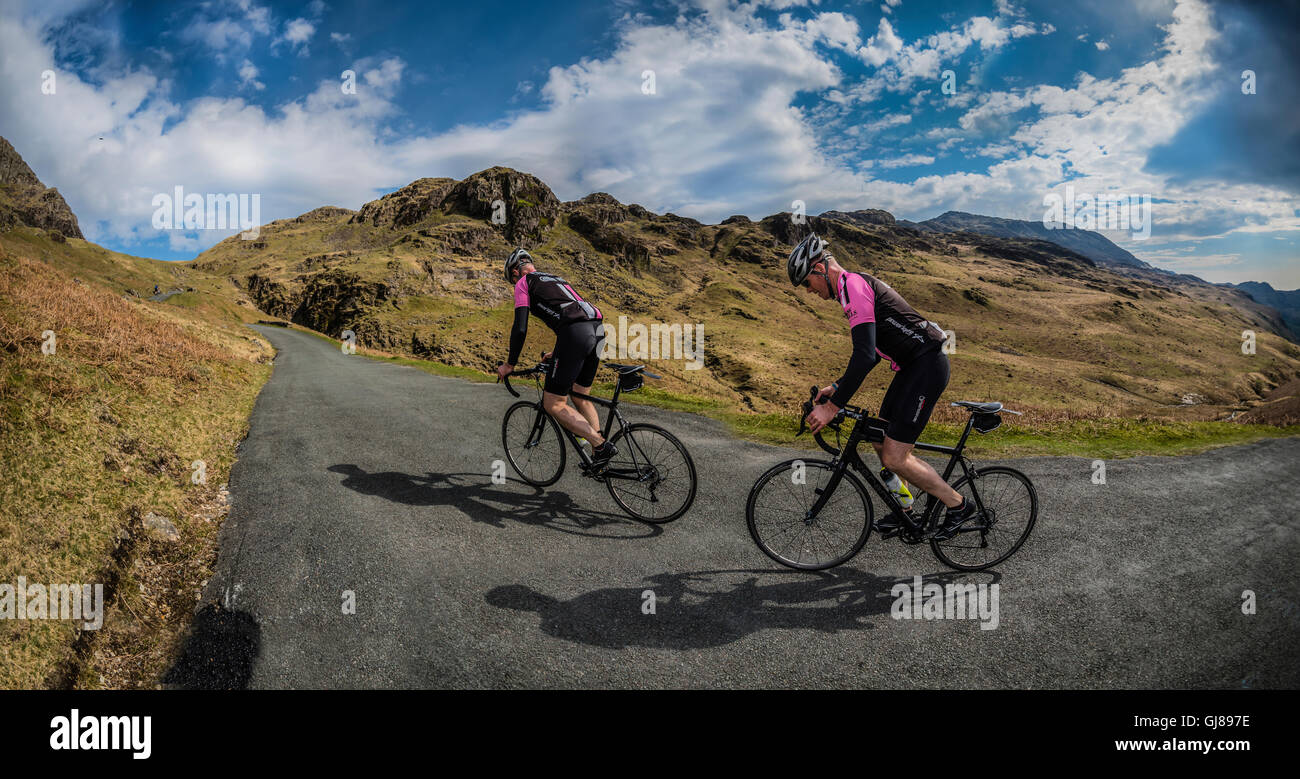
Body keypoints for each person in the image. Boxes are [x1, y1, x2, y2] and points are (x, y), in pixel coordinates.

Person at [786, 232, 975, 539]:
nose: (809, 291)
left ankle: (958, 506)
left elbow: (862, 355)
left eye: (807, 283)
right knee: (878, 436)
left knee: (894, 457)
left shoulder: (853, 288)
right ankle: (904, 509)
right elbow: (873, 352)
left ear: (819, 269)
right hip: (913, 366)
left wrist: (832, 408)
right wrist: (837, 386)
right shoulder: (851, 289)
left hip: (927, 365)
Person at [495, 248, 617, 472]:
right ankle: (598, 459)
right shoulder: (556, 279)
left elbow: (520, 328)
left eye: (511, 280)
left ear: (515, 272)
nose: (514, 285)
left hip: (575, 334)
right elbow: (571, 314)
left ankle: (600, 446)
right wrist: (559, 351)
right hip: (597, 330)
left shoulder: (524, 283)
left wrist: (510, 364)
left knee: (553, 403)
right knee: (581, 395)